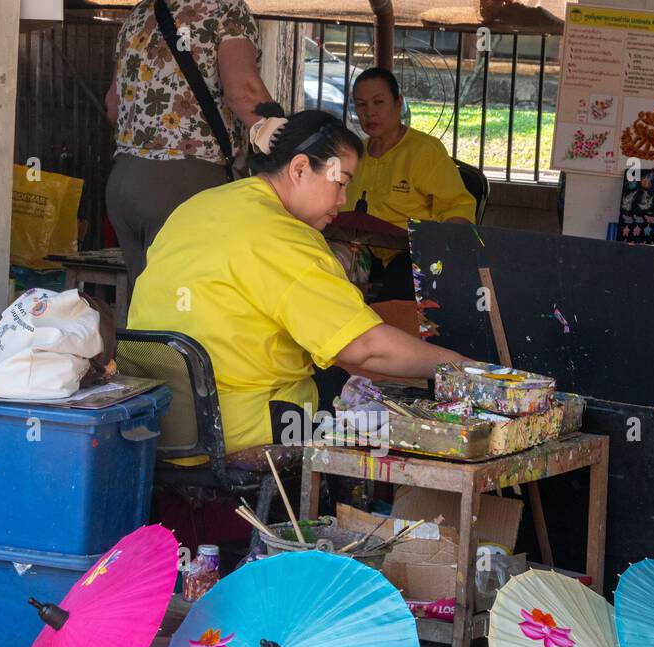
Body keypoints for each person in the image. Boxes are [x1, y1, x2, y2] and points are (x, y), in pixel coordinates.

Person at [126, 108, 467, 456]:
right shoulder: (284, 237)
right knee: (377, 415)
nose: (343, 200)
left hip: (158, 421)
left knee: (339, 379)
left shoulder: (199, 206)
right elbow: (365, 348)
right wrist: (461, 368)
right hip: (239, 426)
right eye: (341, 181)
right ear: (300, 168)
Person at [105, 0, 277, 285]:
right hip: (187, 180)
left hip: (124, 182)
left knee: (144, 305)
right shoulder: (227, 9)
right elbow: (242, 92)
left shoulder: (139, 13)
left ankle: (129, 333)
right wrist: (282, 134)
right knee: (184, 303)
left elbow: (113, 105)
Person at [342, 67, 476, 301]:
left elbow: (457, 208)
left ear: (398, 104)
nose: (369, 113)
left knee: (398, 294)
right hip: (359, 249)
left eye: (378, 102)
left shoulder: (425, 151)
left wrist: (441, 248)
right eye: (361, 105)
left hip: (409, 253)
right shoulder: (355, 153)